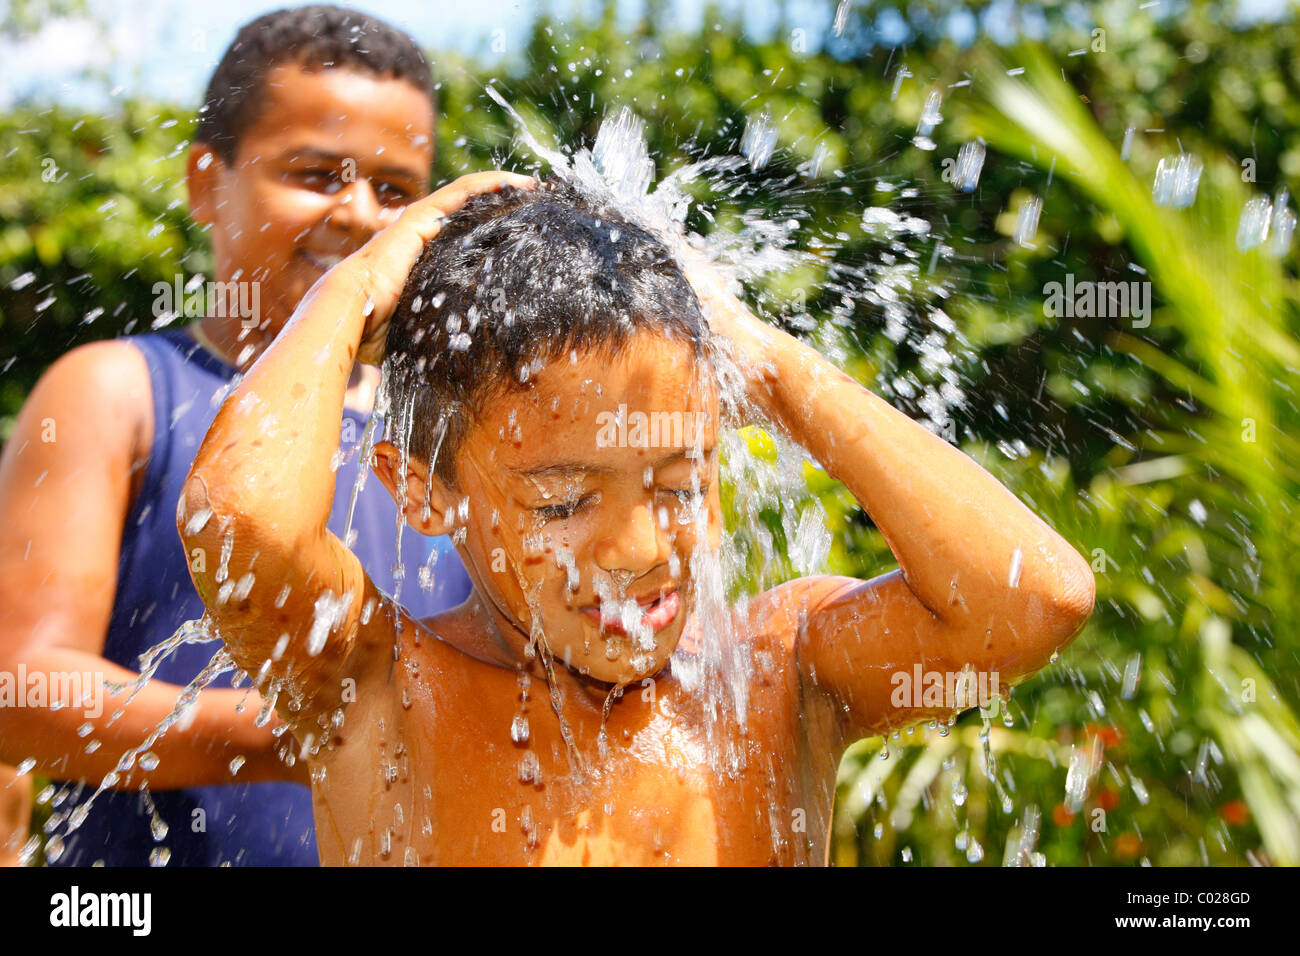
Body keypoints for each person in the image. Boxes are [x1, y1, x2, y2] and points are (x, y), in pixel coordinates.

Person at [178, 176, 1095, 866]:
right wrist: (357, 286)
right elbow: (240, 523)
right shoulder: (375, 693)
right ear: (420, 491)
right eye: (566, 503)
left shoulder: (775, 677)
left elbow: (1030, 599)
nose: (638, 552)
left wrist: (764, 363)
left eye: (678, 485)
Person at [0, 5, 471, 866]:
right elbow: (21, 692)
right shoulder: (119, 392)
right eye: (316, 173)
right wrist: (302, 731)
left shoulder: (451, 435)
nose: (361, 214)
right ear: (204, 183)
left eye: (398, 189)